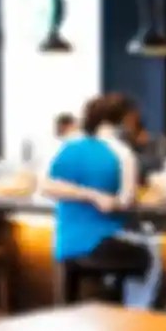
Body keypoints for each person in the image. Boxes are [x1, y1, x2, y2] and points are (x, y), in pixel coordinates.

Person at [42, 95, 149, 304]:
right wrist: (101, 197)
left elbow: (45, 186)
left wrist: (88, 194)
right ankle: (138, 317)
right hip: (102, 246)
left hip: (66, 246)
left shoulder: (69, 147)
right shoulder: (123, 153)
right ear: (124, 121)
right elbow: (126, 201)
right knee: (152, 257)